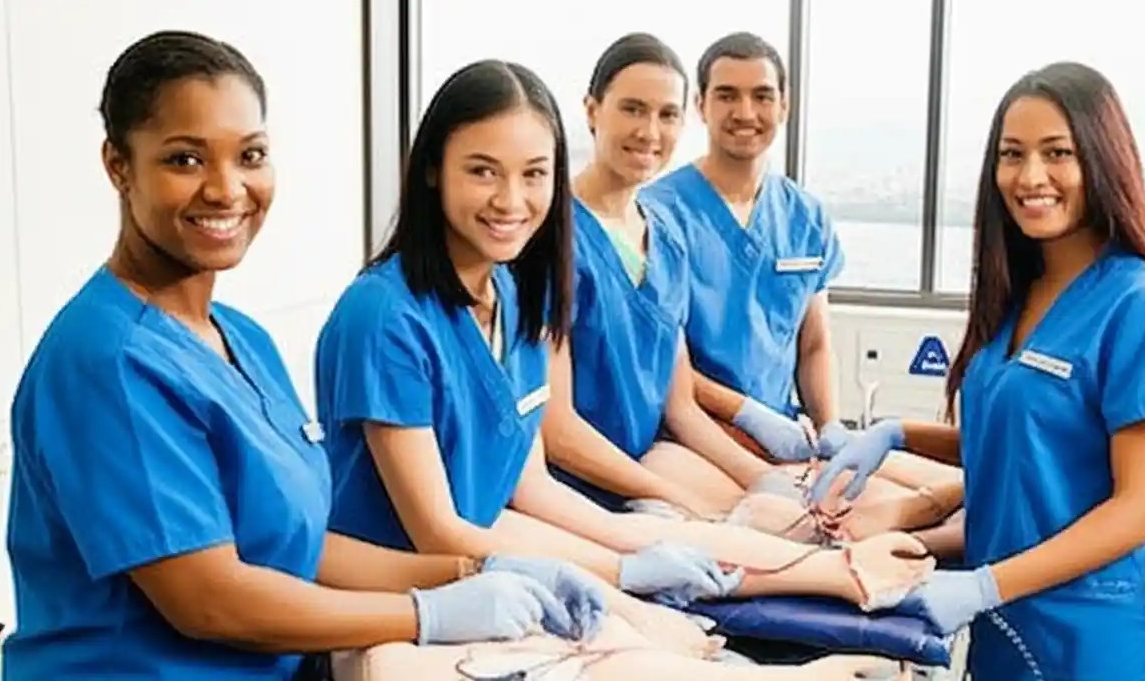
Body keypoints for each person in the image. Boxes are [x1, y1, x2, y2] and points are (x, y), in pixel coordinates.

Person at [1, 30, 616, 681]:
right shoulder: (109, 362)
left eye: (250, 155)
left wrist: (479, 571)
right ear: (118, 165)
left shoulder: (242, 339)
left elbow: (300, 546)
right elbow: (210, 602)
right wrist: (426, 611)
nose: (226, 188)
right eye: (184, 160)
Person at [314, 58, 935, 626]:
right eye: (482, 171)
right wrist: (622, 579)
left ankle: (842, 569)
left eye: (534, 175)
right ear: (431, 170)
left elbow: (528, 485)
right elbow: (440, 533)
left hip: (498, 542)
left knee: (693, 567)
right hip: (401, 595)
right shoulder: (386, 317)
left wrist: (661, 537)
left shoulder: (513, 294)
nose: (511, 200)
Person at [813, 61, 1145, 680]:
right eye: (1011, 154)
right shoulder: (1015, 299)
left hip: (1102, 636)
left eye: (1058, 153)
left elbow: (1141, 507)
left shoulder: (1141, 304)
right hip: (1010, 629)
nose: (1030, 177)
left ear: (1102, 160)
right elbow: (1026, 450)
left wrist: (983, 586)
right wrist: (895, 436)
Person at [543, 32, 788, 517]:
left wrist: (764, 478)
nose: (650, 132)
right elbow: (558, 431)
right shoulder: (551, 239)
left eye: (667, 114)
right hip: (568, 488)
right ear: (592, 111)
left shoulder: (668, 241)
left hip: (644, 469)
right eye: (632, 109)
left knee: (783, 520)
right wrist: (677, 501)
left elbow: (680, 409)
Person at [644, 31, 850, 465]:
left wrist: (831, 429)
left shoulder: (806, 217)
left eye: (762, 96)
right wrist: (751, 416)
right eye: (727, 96)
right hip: (688, 440)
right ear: (701, 106)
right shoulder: (659, 214)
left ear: (784, 106)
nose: (746, 112)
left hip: (787, 438)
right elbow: (660, 361)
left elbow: (813, 343)